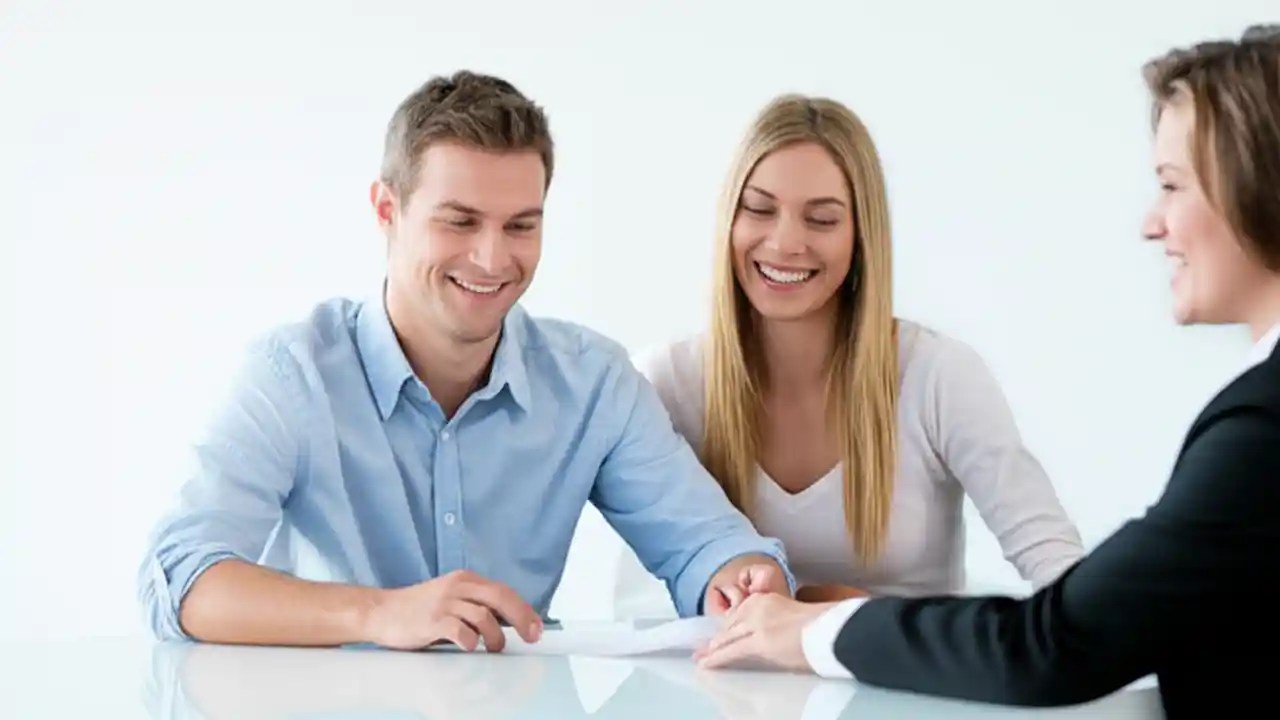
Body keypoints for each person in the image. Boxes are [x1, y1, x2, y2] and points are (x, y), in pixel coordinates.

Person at [693, 24, 1280, 717]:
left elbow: (1056, 641)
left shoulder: (1262, 428)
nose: (1152, 224)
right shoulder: (672, 377)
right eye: (759, 209)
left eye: (1172, 184)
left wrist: (823, 625)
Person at [135, 70, 795, 652]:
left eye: (520, 226)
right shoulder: (293, 373)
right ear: (387, 210)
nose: (491, 259)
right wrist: (381, 614)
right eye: (459, 221)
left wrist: (736, 575)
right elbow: (184, 578)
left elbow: (704, 545)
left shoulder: (593, 384)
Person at [617, 92, 1083, 616]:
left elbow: (1058, 566)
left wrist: (838, 615)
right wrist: (806, 607)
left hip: (897, 690)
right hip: (722, 693)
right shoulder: (666, 383)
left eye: (821, 219)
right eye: (759, 209)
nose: (785, 242)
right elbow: (641, 605)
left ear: (862, 237)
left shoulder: (938, 377)